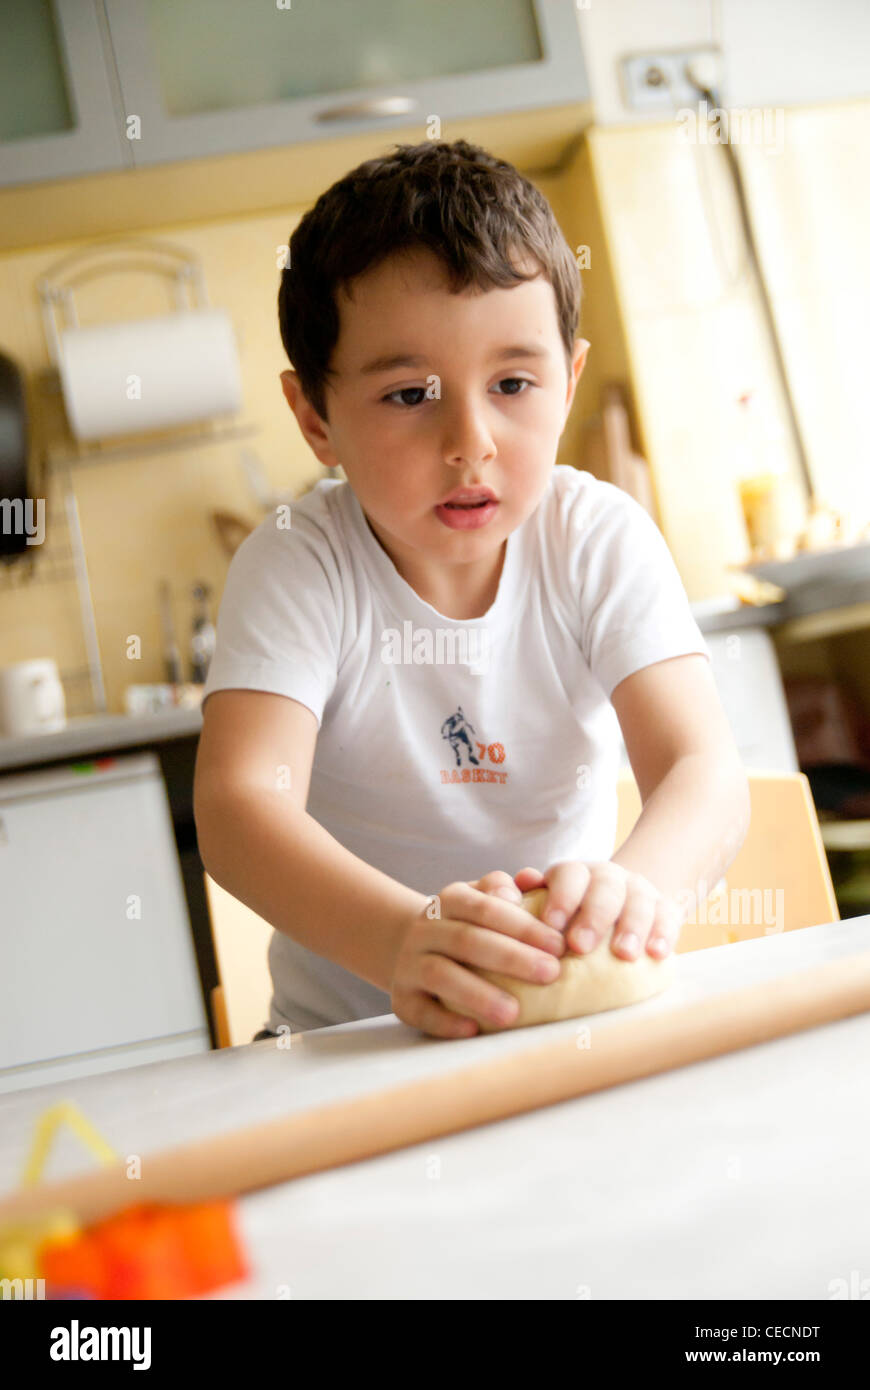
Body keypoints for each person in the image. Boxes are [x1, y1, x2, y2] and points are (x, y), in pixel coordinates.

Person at [194, 139, 750, 1043]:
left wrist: (634, 890)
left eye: (513, 384)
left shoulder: (595, 537)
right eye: (410, 395)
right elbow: (239, 805)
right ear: (314, 419)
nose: (472, 441)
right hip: (347, 1045)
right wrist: (404, 942)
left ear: (567, 384)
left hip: (558, 1024)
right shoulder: (300, 561)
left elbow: (704, 773)